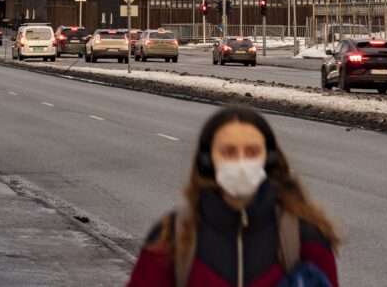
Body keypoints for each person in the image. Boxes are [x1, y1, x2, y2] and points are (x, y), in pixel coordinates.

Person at [127, 105, 339, 286]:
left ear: (270, 159)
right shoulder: (171, 236)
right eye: (228, 152)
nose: (241, 162)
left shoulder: (304, 237)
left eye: (252, 152)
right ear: (208, 161)